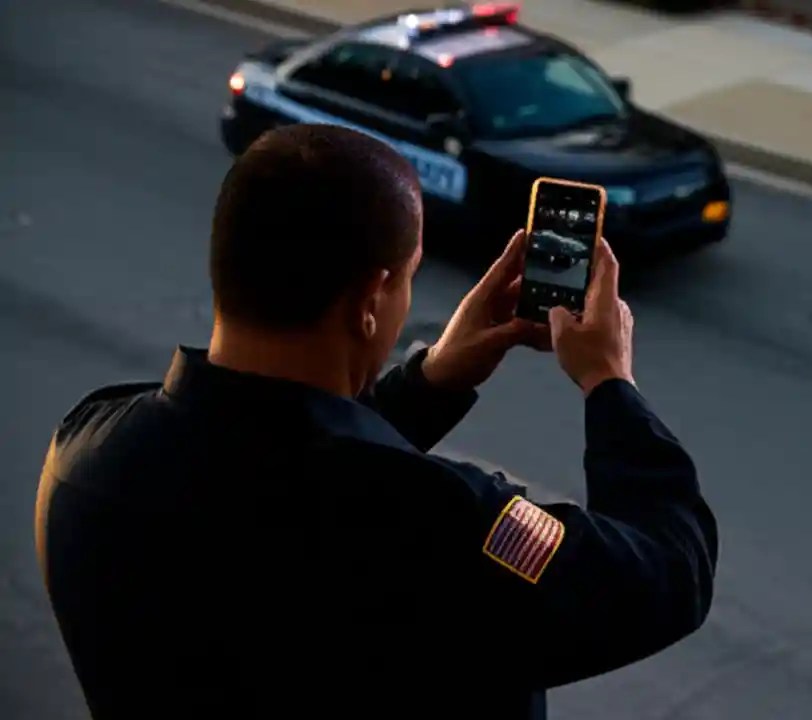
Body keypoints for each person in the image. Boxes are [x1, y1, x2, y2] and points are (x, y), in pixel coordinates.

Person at [33, 124, 718, 719]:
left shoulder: (86, 450)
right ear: (371, 300)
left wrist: (432, 379)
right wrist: (609, 382)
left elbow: (277, 456)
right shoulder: (432, 523)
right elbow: (665, 572)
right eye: (409, 275)